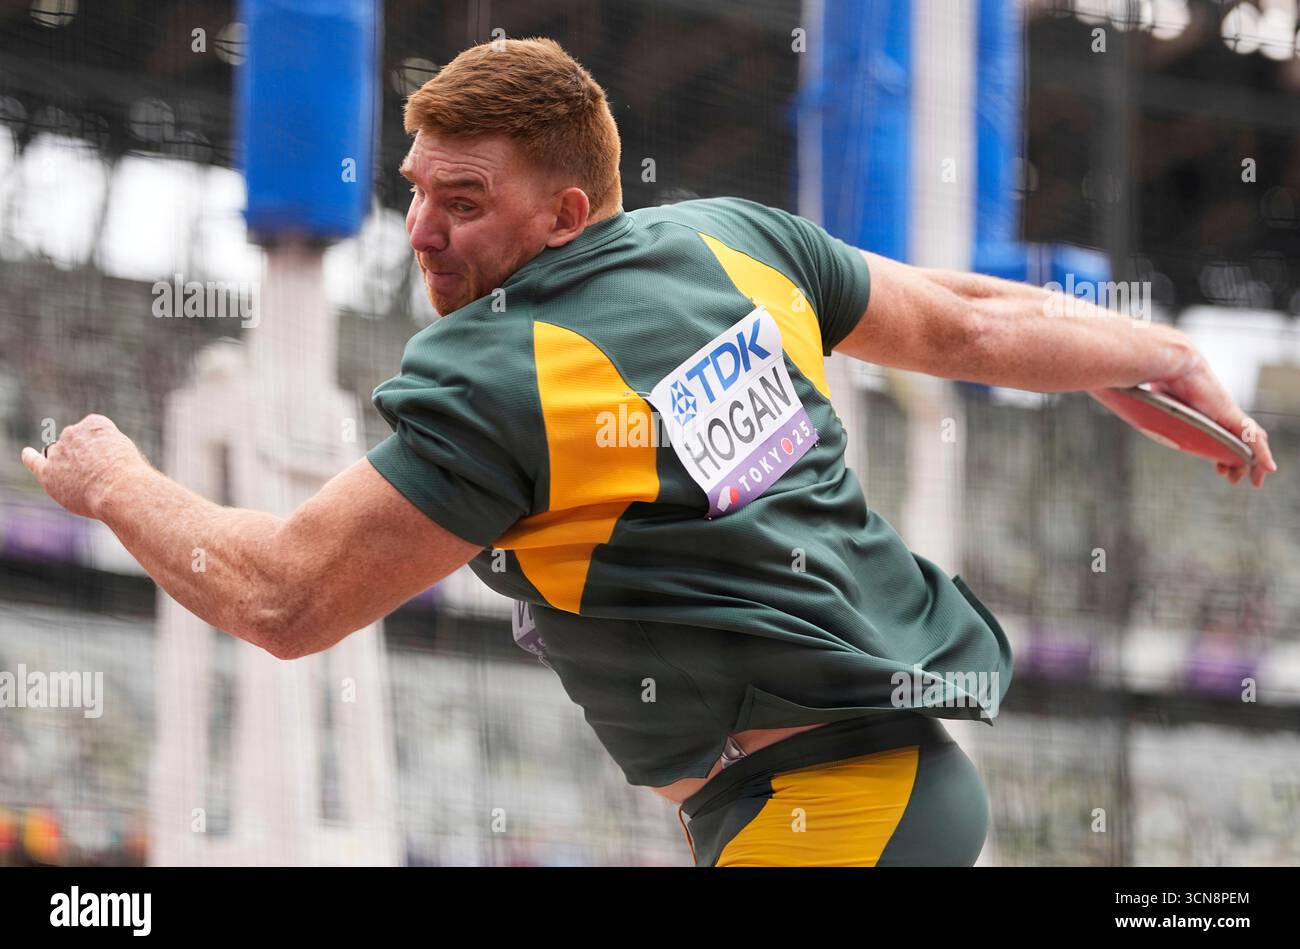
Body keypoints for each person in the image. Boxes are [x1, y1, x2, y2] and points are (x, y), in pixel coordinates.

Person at [21, 37, 1277, 867]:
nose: (419, 229)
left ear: (567, 212)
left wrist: (113, 482)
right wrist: (1148, 354)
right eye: (413, 190)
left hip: (829, 816)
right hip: (876, 798)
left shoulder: (502, 372)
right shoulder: (731, 243)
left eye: (464, 200)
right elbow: (965, 319)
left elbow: (287, 598)